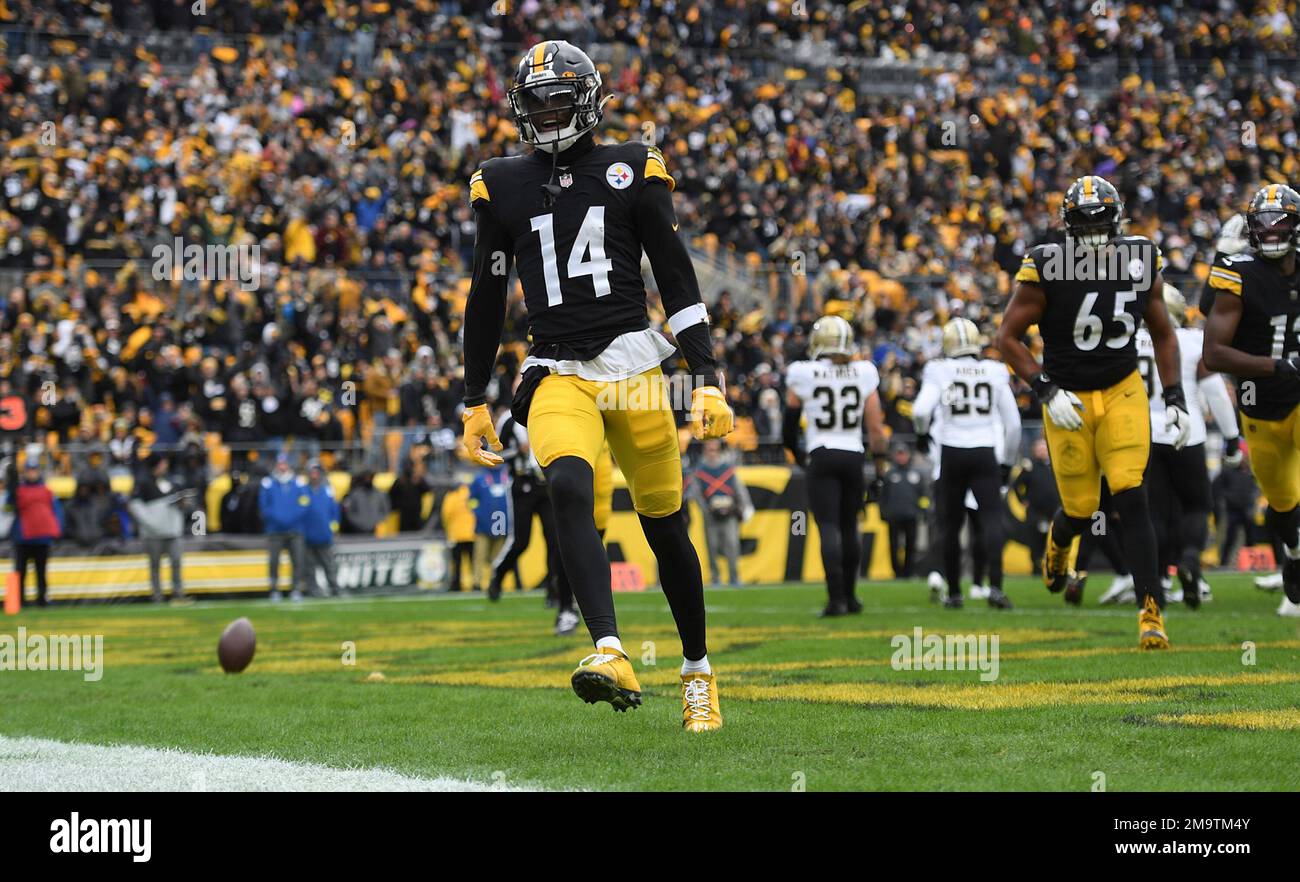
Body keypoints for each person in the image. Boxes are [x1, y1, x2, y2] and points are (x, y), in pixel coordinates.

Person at [459, 41, 734, 731]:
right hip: (556, 369)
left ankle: (698, 669)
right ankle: (608, 651)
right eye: (537, 102)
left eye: (560, 99)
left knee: (665, 528)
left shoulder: (632, 165)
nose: (549, 113)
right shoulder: (500, 182)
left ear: (586, 100)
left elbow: (674, 276)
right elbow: (486, 298)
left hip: (636, 367)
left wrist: (706, 376)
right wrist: (471, 399)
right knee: (570, 486)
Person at [997, 175, 1189, 649]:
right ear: (1067, 226)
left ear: (1117, 222)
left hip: (1123, 389)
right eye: (1084, 224)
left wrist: (1176, 397)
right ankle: (1060, 544)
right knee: (1081, 510)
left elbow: (1164, 332)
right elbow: (1006, 338)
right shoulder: (1046, 264)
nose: (1094, 233)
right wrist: (1044, 388)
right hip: (1069, 398)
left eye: (1101, 222)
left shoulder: (1140, 258)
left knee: (1131, 493)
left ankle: (1151, 611)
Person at [1203, 184, 1300, 613]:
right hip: (1260, 406)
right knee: (1282, 505)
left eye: (1280, 223)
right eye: (1262, 224)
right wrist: (1275, 366)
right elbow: (1213, 353)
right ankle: (1294, 559)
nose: (1271, 231)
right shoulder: (1239, 271)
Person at [1135, 283, 1241, 609]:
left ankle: (1159, 581)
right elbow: (1216, 395)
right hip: (1187, 431)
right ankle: (1191, 560)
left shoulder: (1125, 343)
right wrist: (1232, 438)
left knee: (1155, 511)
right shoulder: (1193, 342)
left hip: (1142, 435)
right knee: (1196, 506)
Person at [913, 317, 1020, 609]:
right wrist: (1007, 463)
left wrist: (922, 436)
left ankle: (955, 592)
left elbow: (921, 411)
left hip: (952, 451)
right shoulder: (994, 370)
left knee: (951, 524)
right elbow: (1013, 425)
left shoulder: (939, 369)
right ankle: (995, 588)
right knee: (991, 522)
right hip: (985, 450)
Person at [785, 315, 887, 616]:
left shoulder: (803, 372)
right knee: (849, 525)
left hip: (822, 452)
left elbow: (789, 427)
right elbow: (877, 429)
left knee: (828, 526)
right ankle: (852, 597)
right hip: (853, 454)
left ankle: (836, 599)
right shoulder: (864, 371)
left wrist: (798, 455)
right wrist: (880, 469)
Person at [487, 406, 545, 601]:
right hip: (522, 484)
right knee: (521, 541)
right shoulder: (508, 421)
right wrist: (518, 452)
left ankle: (556, 591)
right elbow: (494, 454)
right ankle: (499, 573)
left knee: (556, 540)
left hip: (546, 483)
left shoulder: (546, 412)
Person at [687, 439, 753, 587]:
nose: (713, 453)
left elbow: (739, 488)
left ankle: (734, 577)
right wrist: (706, 510)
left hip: (729, 513)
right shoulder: (700, 470)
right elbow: (696, 494)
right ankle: (716, 578)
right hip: (711, 515)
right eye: (710, 450)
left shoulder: (728, 468)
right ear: (705, 451)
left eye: (715, 449)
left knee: (732, 545)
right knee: (712, 547)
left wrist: (743, 506)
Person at [129, 452, 190, 602]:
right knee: (155, 565)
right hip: (153, 533)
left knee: (176, 562)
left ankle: (178, 593)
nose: (166, 466)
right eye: (163, 463)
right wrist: (151, 523)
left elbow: (183, 506)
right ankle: (157, 595)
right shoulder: (143, 483)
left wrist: (183, 505)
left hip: (173, 530)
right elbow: (134, 506)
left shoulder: (173, 483)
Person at [6, 451, 62, 607]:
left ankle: (42, 600)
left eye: (34, 470)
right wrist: (12, 488)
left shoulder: (47, 491)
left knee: (41, 572)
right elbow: (9, 506)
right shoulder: (19, 490)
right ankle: (19, 601)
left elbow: (56, 512)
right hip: (23, 537)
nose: (32, 473)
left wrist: (56, 531)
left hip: (41, 538)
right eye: (29, 470)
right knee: (21, 572)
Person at [259, 454, 310, 602]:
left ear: (289, 465)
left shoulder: (299, 483)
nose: (282, 467)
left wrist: (292, 518)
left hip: (296, 529)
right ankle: (274, 589)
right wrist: (278, 519)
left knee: (297, 561)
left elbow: (305, 503)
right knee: (274, 561)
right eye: (280, 464)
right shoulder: (268, 483)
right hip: (275, 530)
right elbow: (264, 507)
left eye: (284, 464)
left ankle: (296, 589)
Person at [1010, 437, 1059, 576]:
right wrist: (1023, 500)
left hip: (1053, 511)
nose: (1042, 451)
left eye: (1044, 448)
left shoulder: (1054, 466)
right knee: (1035, 539)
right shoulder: (1030, 467)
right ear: (1034, 451)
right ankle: (1036, 568)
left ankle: (1052, 567)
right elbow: (1016, 485)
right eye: (1039, 448)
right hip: (1035, 511)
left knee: (1053, 540)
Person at [877, 443, 927, 579]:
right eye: (898, 454)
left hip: (911, 515)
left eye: (903, 454)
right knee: (893, 544)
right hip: (893, 515)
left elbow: (923, 495)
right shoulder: (889, 474)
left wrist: (923, 511)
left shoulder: (916, 474)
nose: (901, 457)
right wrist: (882, 512)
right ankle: (896, 571)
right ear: (894, 456)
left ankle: (908, 571)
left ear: (908, 455)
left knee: (911, 544)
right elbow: (883, 496)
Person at [468, 462, 511, 596]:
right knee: (480, 556)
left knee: (497, 557)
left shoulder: (508, 476)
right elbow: (471, 500)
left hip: (502, 525)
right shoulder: (480, 478)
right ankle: (477, 583)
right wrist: (478, 513)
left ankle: (495, 582)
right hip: (483, 525)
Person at [301, 461, 342, 596]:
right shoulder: (302, 490)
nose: (314, 475)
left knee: (329, 564)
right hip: (307, 535)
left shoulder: (327, 490)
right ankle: (313, 590)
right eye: (312, 472)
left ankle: (334, 587)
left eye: (316, 472)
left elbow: (334, 510)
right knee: (309, 566)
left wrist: (333, 525)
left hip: (324, 534)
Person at [440, 476, 478, 592]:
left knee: (457, 563)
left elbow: (445, 515)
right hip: (471, 534)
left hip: (456, 535)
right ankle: (476, 584)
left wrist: (448, 529)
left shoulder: (451, 497)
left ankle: (456, 585)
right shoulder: (471, 496)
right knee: (473, 562)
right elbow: (477, 511)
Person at [341, 469, 390, 534]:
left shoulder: (380, 494)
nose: (367, 479)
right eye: (366, 477)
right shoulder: (354, 494)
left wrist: (376, 521)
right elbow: (349, 512)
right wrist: (359, 522)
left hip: (374, 529)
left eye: (369, 477)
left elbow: (386, 510)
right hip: (355, 530)